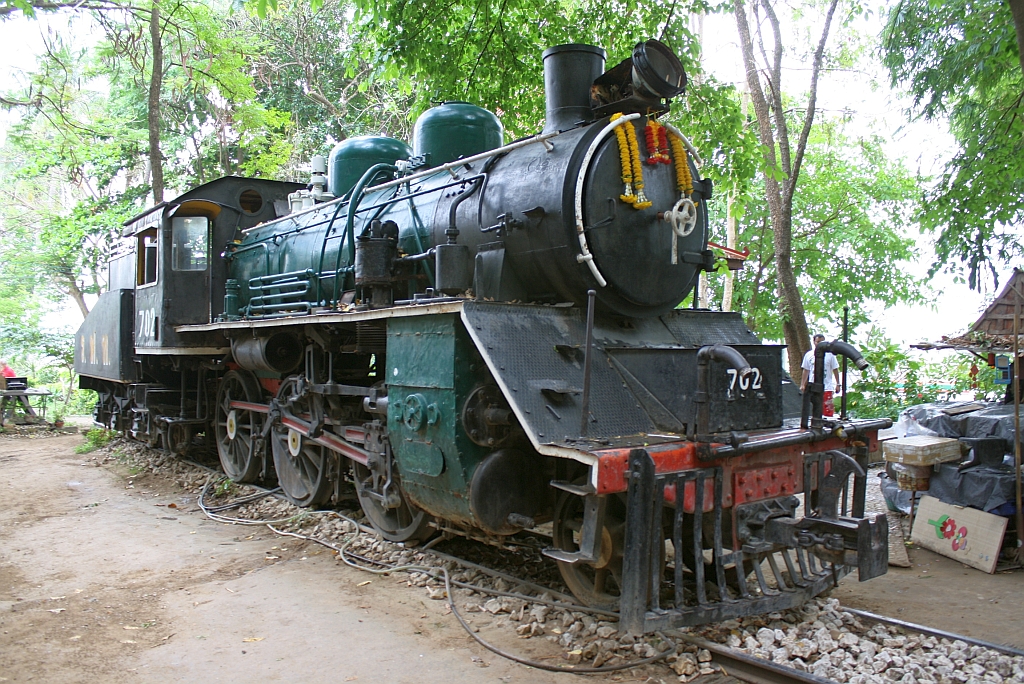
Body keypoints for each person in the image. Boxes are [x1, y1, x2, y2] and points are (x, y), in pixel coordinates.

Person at [800, 334, 840, 417]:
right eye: (818, 342)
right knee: (813, 408)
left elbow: (835, 369)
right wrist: (803, 384)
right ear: (814, 342)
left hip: (827, 387)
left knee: (827, 409)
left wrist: (838, 384)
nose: (819, 344)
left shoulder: (830, 355)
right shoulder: (809, 355)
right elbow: (806, 370)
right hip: (812, 386)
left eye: (821, 342)